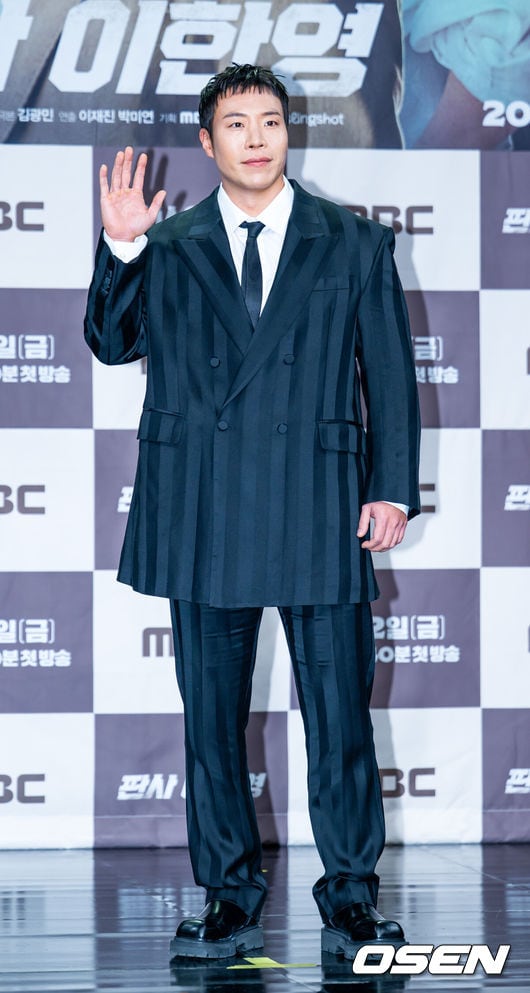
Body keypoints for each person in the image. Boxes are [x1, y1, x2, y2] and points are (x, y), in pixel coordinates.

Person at [84, 63, 421, 961]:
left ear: (287, 131)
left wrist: (390, 486)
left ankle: (352, 899)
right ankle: (229, 898)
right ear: (208, 141)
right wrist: (121, 247)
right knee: (212, 723)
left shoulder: (353, 242)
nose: (257, 136)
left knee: (340, 721)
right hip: (203, 510)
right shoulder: (168, 242)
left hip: (319, 507)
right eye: (236, 123)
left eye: (270, 119)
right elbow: (112, 344)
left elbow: (389, 377)